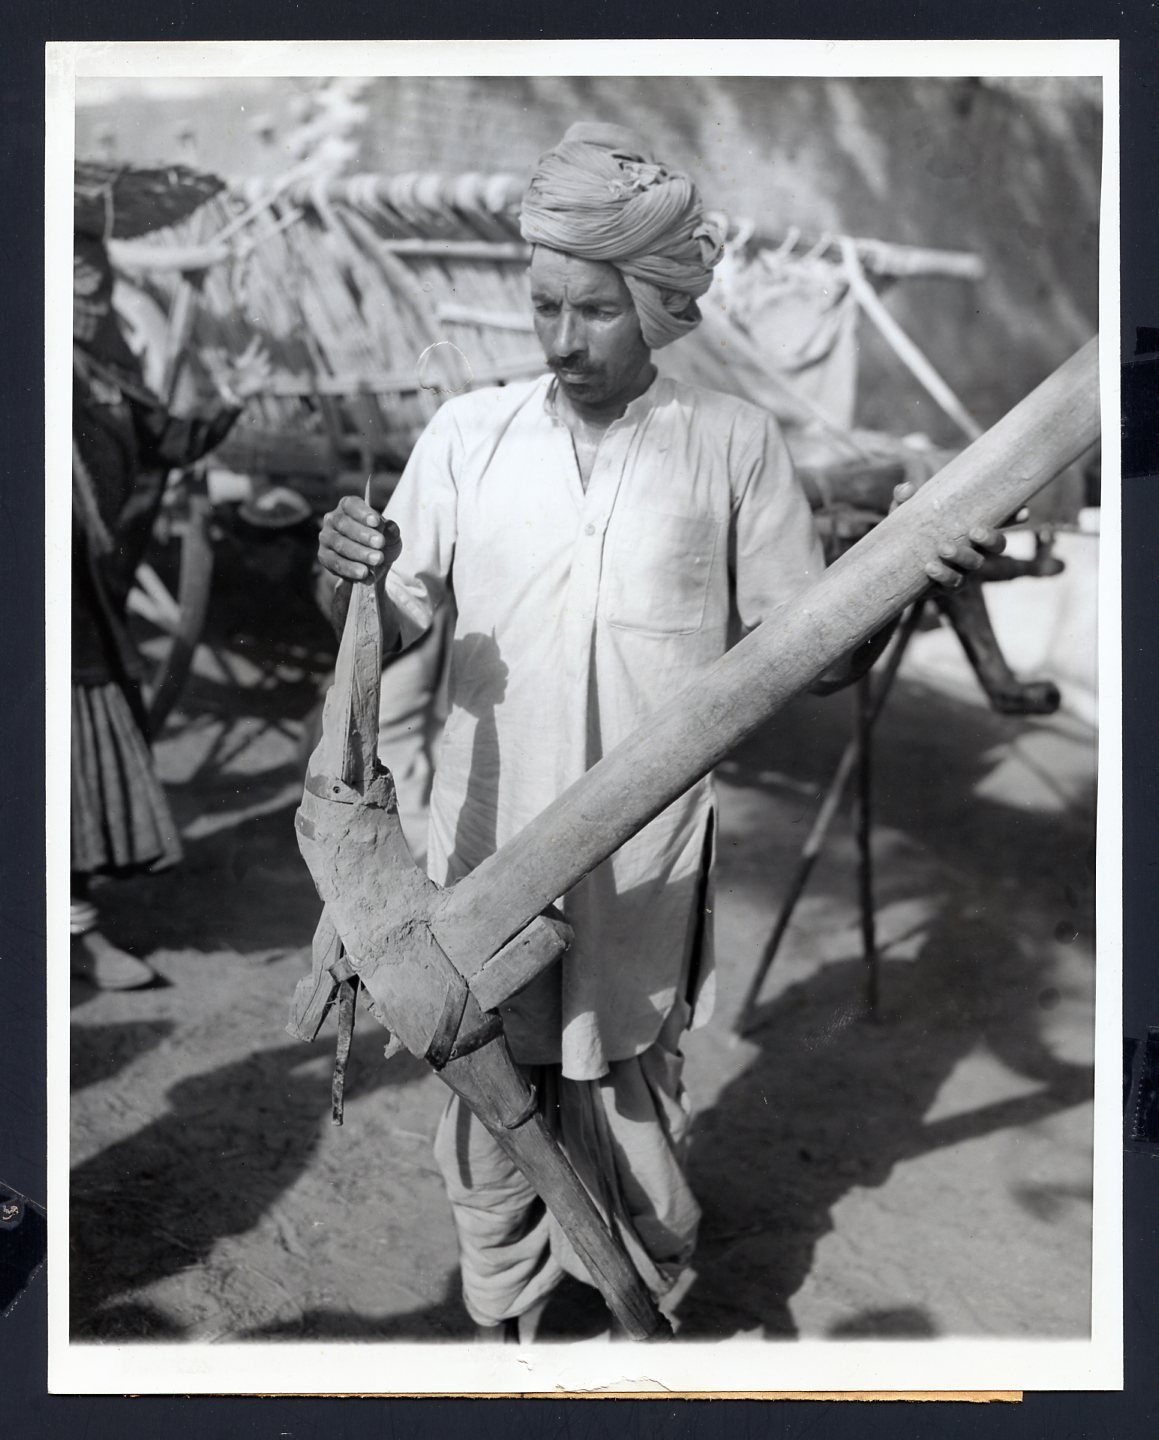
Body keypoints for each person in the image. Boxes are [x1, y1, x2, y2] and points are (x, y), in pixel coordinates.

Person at [316, 122, 1001, 1340]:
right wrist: (348, 575)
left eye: (594, 312)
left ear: (661, 308)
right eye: (544, 308)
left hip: (641, 860)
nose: (562, 340)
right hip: (486, 843)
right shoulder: (466, 439)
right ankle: (512, 1321)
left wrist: (905, 579)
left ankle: (620, 1306)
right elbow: (389, 621)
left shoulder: (731, 446)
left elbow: (814, 657)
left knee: (631, 1089)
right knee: (490, 1098)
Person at [71, 223, 268, 989]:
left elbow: (167, 440)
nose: (91, 292)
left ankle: (76, 932)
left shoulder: (100, 376)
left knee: (75, 759)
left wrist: (233, 398)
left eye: (97, 277)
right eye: (72, 277)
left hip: (84, 601)